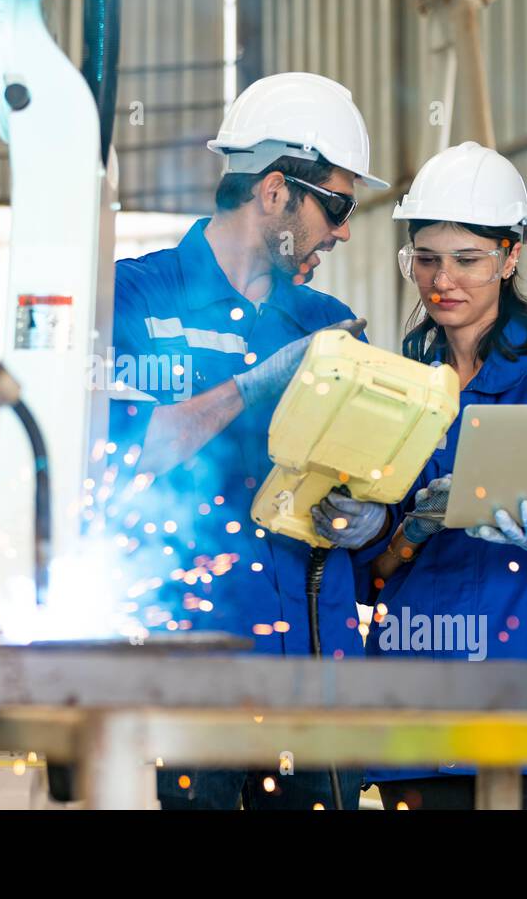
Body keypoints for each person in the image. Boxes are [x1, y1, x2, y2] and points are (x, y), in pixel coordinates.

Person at [312, 141, 527, 810]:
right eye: (425, 259)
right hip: (422, 706)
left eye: (468, 261)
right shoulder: (389, 388)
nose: (443, 280)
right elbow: (372, 575)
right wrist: (384, 534)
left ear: (511, 256)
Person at [108, 72, 390, 809]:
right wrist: (254, 385)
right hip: (196, 666)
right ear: (274, 193)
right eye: (335, 205)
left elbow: (369, 476)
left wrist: (372, 518)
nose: (343, 229)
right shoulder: (138, 299)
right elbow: (133, 454)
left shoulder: (331, 323)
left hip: (317, 667)